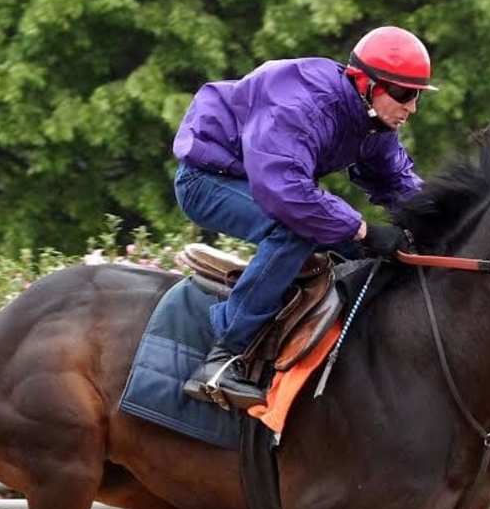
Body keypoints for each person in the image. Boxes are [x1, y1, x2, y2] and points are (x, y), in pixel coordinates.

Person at [172, 25, 436, 409]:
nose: (411, 107)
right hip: (206, 180)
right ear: (366, 84)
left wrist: (439, 223)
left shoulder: (373, 121)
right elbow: (286, 192)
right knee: (295, 230)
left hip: (264, 182)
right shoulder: (303, 104)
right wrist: (362, 228)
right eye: (403, 94)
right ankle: (225, 355)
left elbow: (396, 180)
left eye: (417, 95)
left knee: (364, 251)